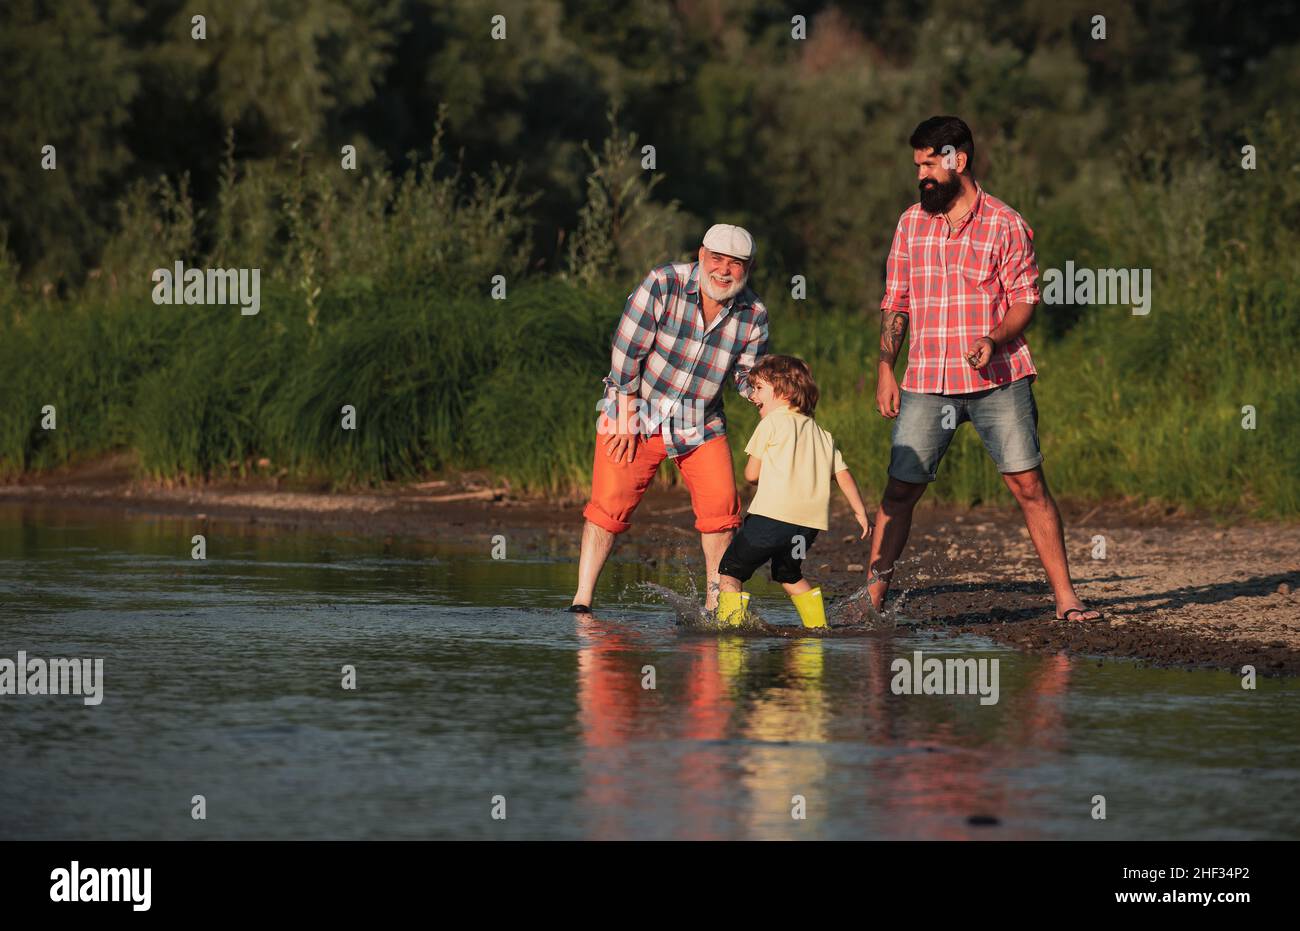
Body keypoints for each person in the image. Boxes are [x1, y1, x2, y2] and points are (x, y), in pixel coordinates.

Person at [868, 115, 1101, 623]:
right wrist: (886, 366)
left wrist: (993, 338)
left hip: (999, 380)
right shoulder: (911, 222)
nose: (922, 175)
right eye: (918, 166)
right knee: (900, 489)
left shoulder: (1006, 223)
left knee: (1028, 485)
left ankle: (1066, 599)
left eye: (930, 164)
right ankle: (871, 601)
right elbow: (896, 301)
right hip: (927, 379)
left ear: (959, 159)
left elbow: (1025, 300)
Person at [569, 224, 769, 614]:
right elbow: (627, 349)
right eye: (716, 259)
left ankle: (716, 605)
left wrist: (776, 397)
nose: (723, 271)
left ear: (748, 267)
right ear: (701, 255)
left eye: (735, 264)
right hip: (635, 408)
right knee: (607, 508)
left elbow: (747, 378)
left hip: (700, 421)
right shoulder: (663, 283)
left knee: (723, 512)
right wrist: (625, 410)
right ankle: (582, 599)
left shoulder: (754, 315)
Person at [716, 355, 871, 629]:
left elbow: (751, 475)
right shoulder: (823, 434)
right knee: (789, 574)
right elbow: (842, 474)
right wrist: (860, 512)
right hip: (806, 528)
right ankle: (817, 628)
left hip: (769, 519)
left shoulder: (772, 423)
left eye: (758, 388)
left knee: (730, 572)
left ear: (784, 391)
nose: (752, 396)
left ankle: (730, 633)